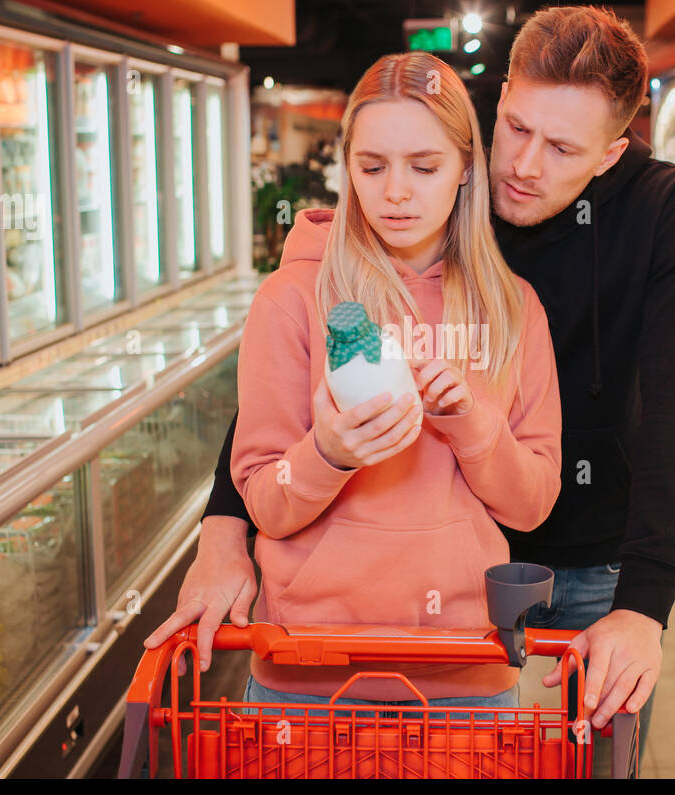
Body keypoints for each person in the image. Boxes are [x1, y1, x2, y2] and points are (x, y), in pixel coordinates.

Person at [148, 6, 675, 747]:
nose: (523, 165)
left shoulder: (672, 217)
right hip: (398, 613)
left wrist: (644, 609)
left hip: (589, 568)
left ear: (612, 154)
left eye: (561, 148)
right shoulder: (438, 184)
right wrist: (224, 529)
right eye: (515, 129)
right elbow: (300, 373)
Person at [173, 49, 562, 715]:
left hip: (467, 669)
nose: (397, 192)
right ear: (346, 168)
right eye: (372, 167)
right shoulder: (292, 299)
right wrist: (329, 454)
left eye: (425, 166)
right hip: (307, 673)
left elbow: (532, 506)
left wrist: (471, 426)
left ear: (467, 165)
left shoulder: (512, 307)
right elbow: (265, 501)